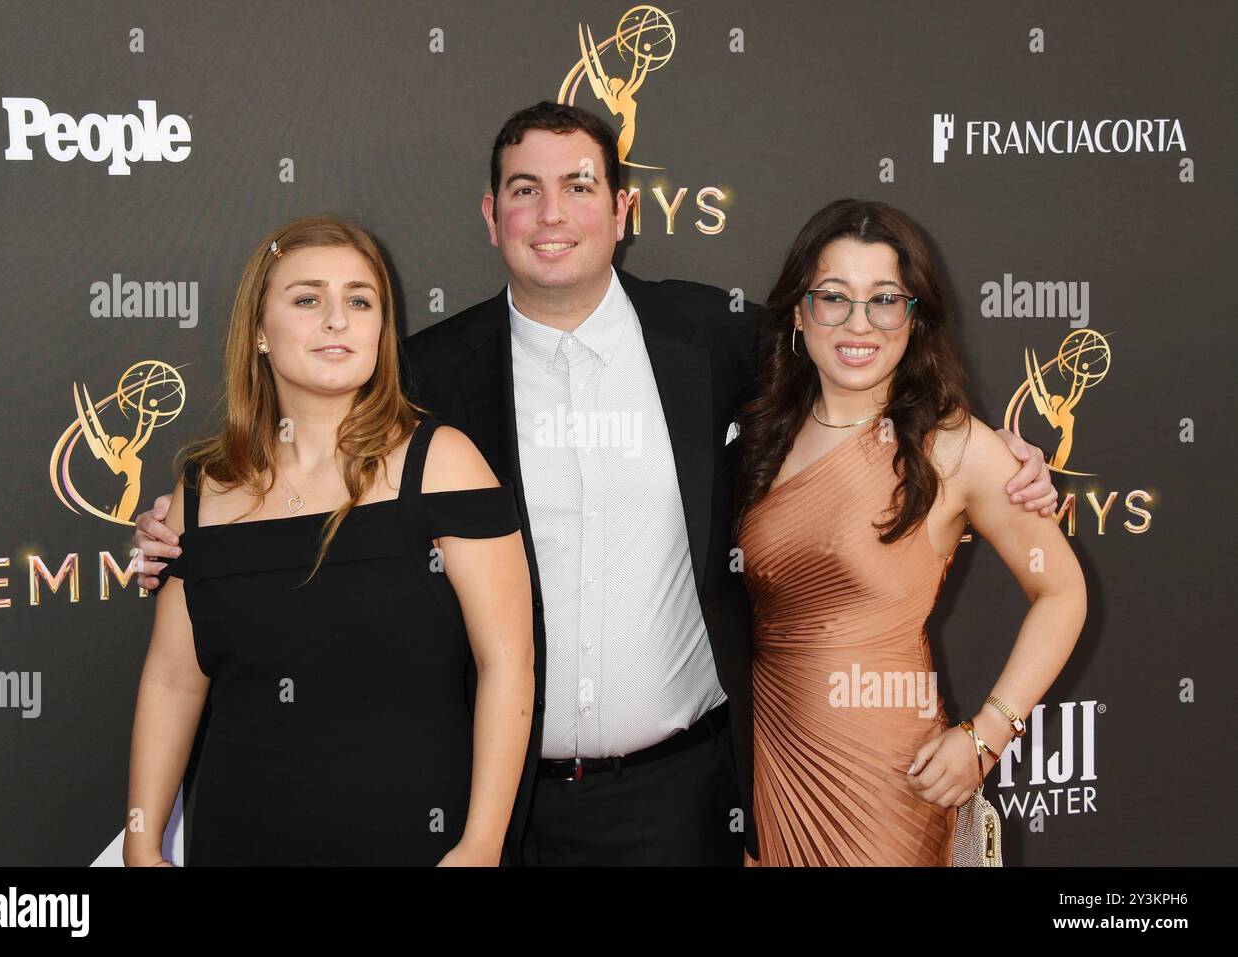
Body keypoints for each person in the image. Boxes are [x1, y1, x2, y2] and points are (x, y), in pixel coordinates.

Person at [131, 103, 1058, 866]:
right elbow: (304, 469)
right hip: (491, 804)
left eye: (580, 186)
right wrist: (191, 524)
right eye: (524, 191)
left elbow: (860, 376)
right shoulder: (421, 373)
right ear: (491, 218)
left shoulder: (719, 341)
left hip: (693, 798)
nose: (552, 212)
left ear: (622, 211)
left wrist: (1005, 465)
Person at [122, 216, 533, 867]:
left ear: (380, 329)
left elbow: (507, 663)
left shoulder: (445, 464)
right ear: (258, 330)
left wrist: (481, 843)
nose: (337, 319)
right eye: (308, 298)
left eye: (360, 300)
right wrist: (142, 842)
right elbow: (174, 680)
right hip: (240, 839)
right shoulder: (199, 489)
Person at [734, 199, 1086, 866]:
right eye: (833, 297)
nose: (858, 323)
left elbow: (1063, 591)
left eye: (885, 299)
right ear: (799, 312)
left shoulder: (952, 445)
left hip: (890, 776)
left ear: (914, 316)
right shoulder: (758, 431)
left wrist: (987, 735)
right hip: (766, 762)